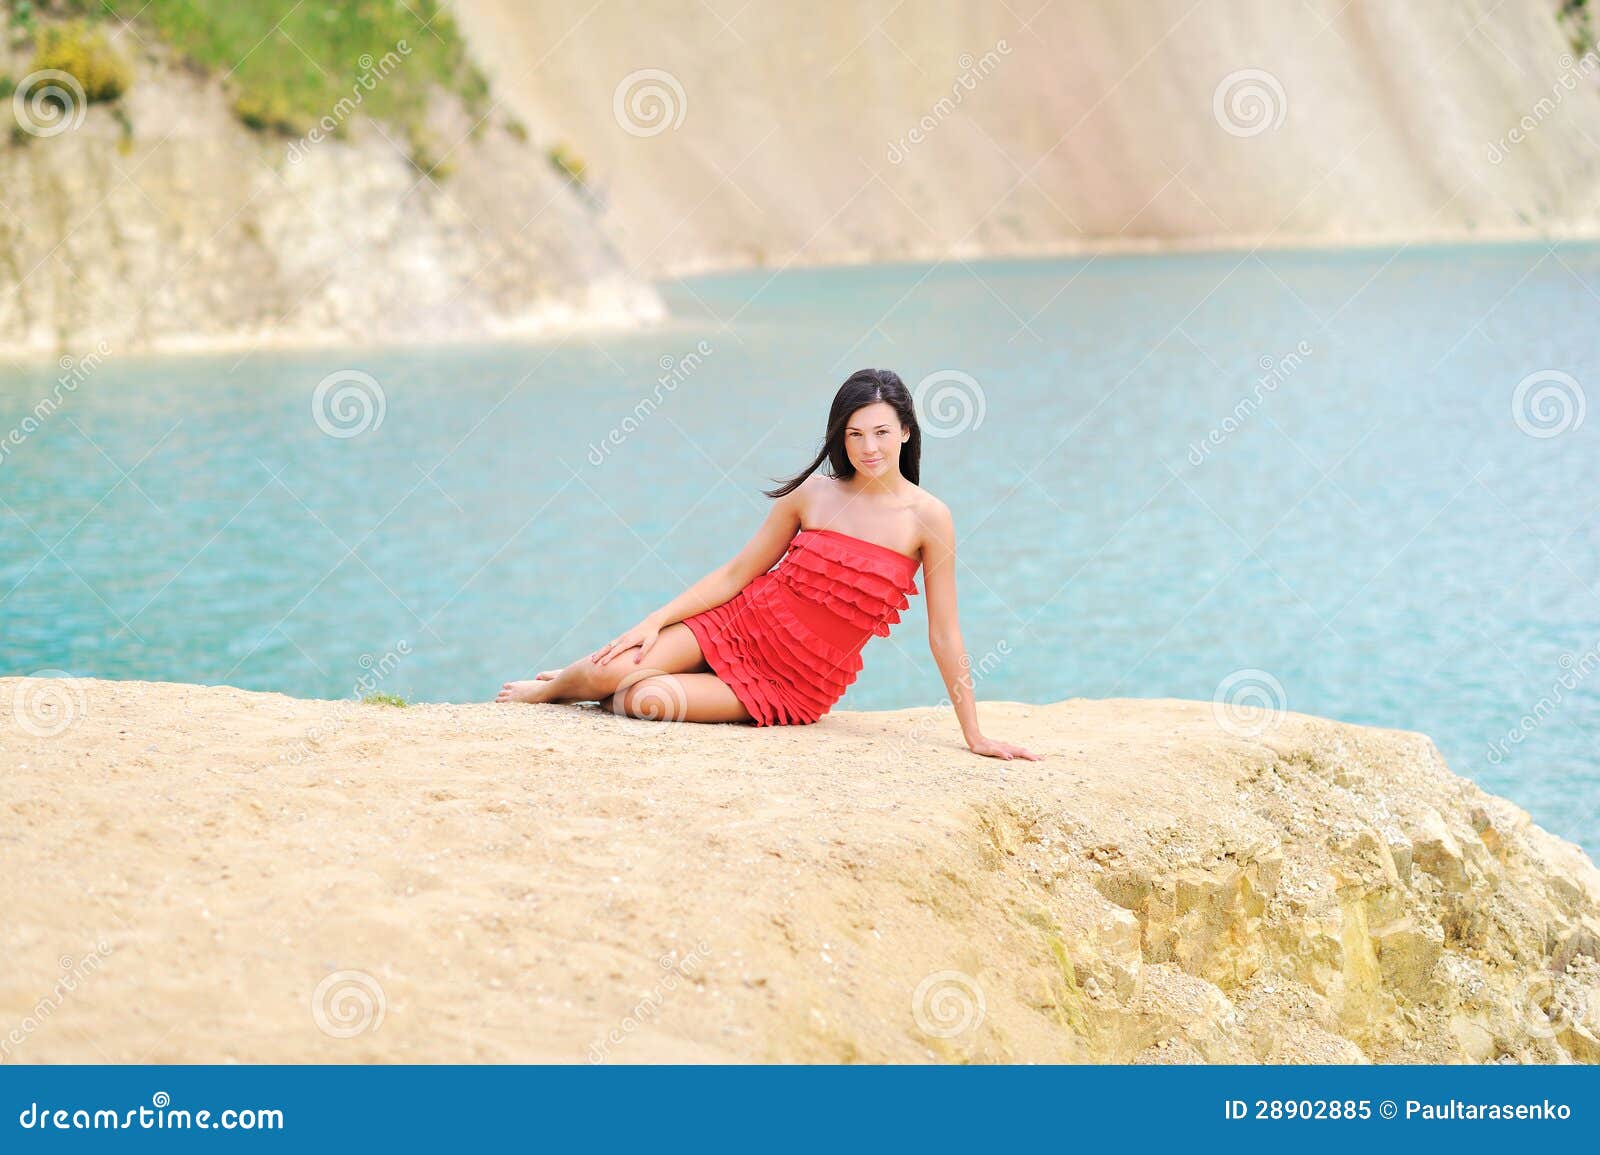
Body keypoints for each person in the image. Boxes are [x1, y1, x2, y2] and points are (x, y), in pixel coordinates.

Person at [496, 368, 1040, 761]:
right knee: (603, 671)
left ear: (905, 432)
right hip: (738, 625)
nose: (868, 447)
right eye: (854, 434)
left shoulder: (929, 518)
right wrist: (654, 622)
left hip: (793, 681)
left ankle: (596, 680)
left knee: (641, 698)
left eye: (880, 432)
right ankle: (551, 688)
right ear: (840, 437)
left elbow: (944, 633)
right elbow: (738, 575)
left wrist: (974, 733)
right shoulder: (812, 495)